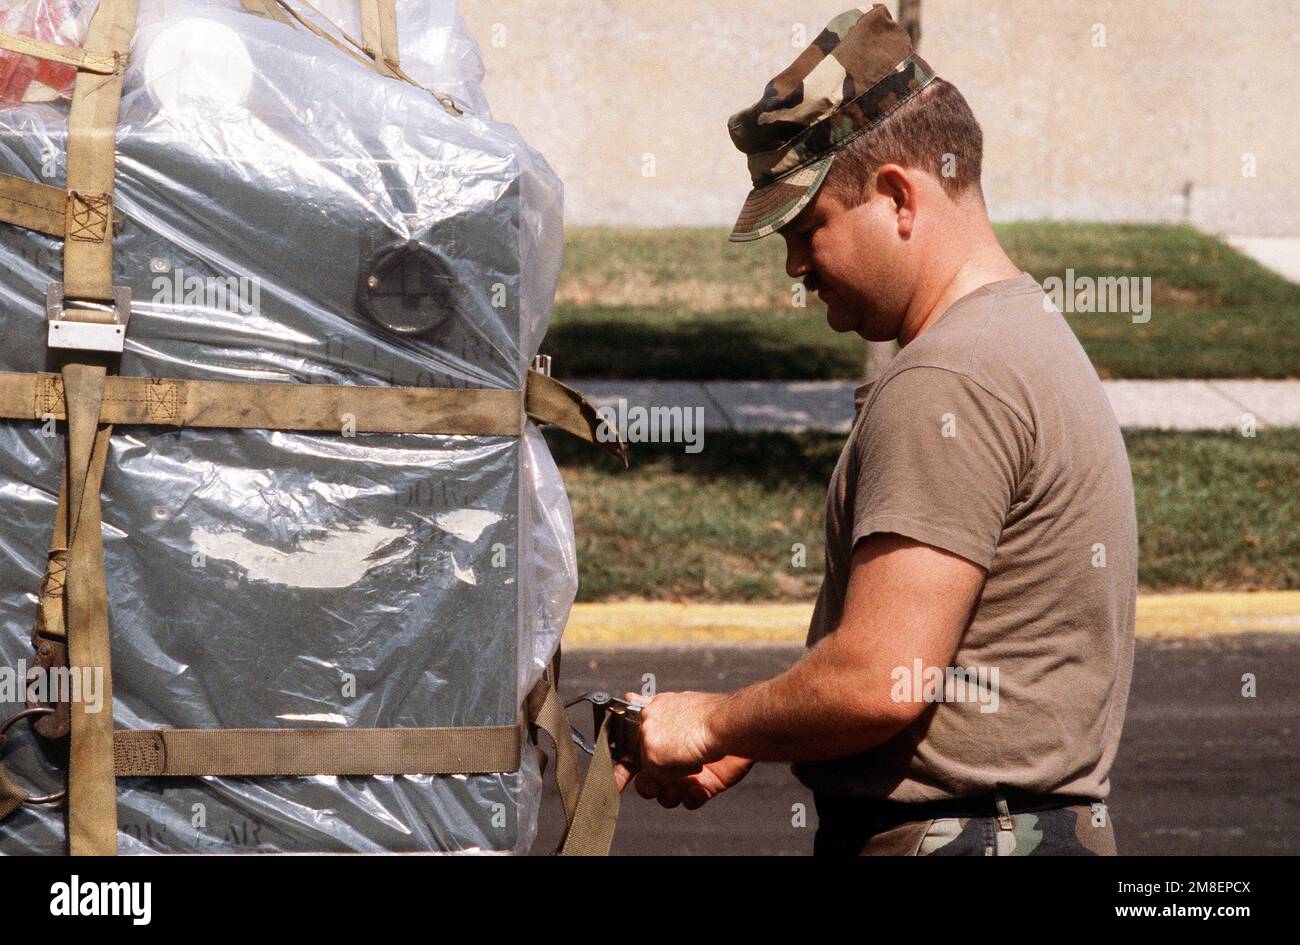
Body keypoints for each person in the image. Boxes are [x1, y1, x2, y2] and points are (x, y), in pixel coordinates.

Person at [617, 4, 1137, 856]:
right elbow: (945, 658)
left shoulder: (948, 380)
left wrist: (711, 720)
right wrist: (765, 730)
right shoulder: (1023, 332)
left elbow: (877, 683)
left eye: (805, 226)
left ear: (897, 195)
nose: (793, 265)